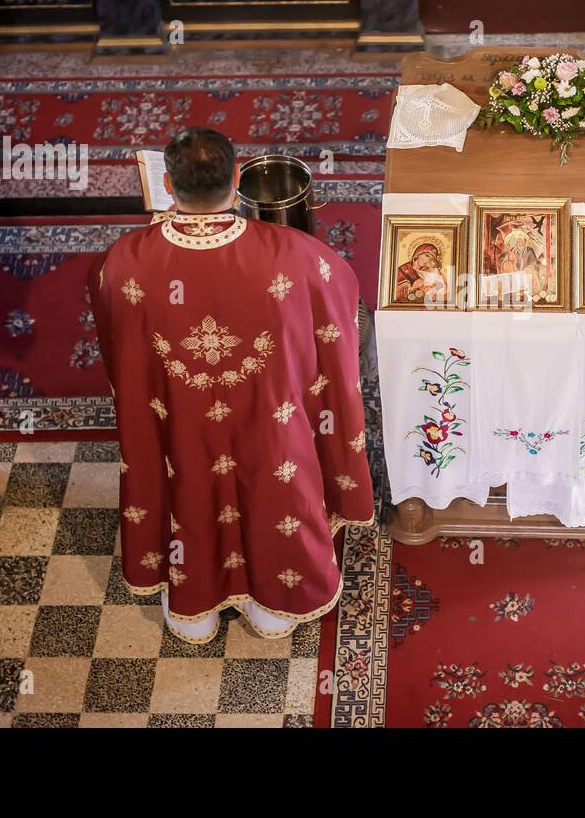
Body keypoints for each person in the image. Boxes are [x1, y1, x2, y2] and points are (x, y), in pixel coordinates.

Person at [88, 127, 373, 644]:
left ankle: (193, 606)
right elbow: (342, 299)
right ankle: (276, 602)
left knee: (188, 482)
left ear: (168, 186)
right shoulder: (294, 254)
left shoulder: (125, 262)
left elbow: (117, 338)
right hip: (269, 421)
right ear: (238, 180)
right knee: (275, 484)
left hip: (180, 425)